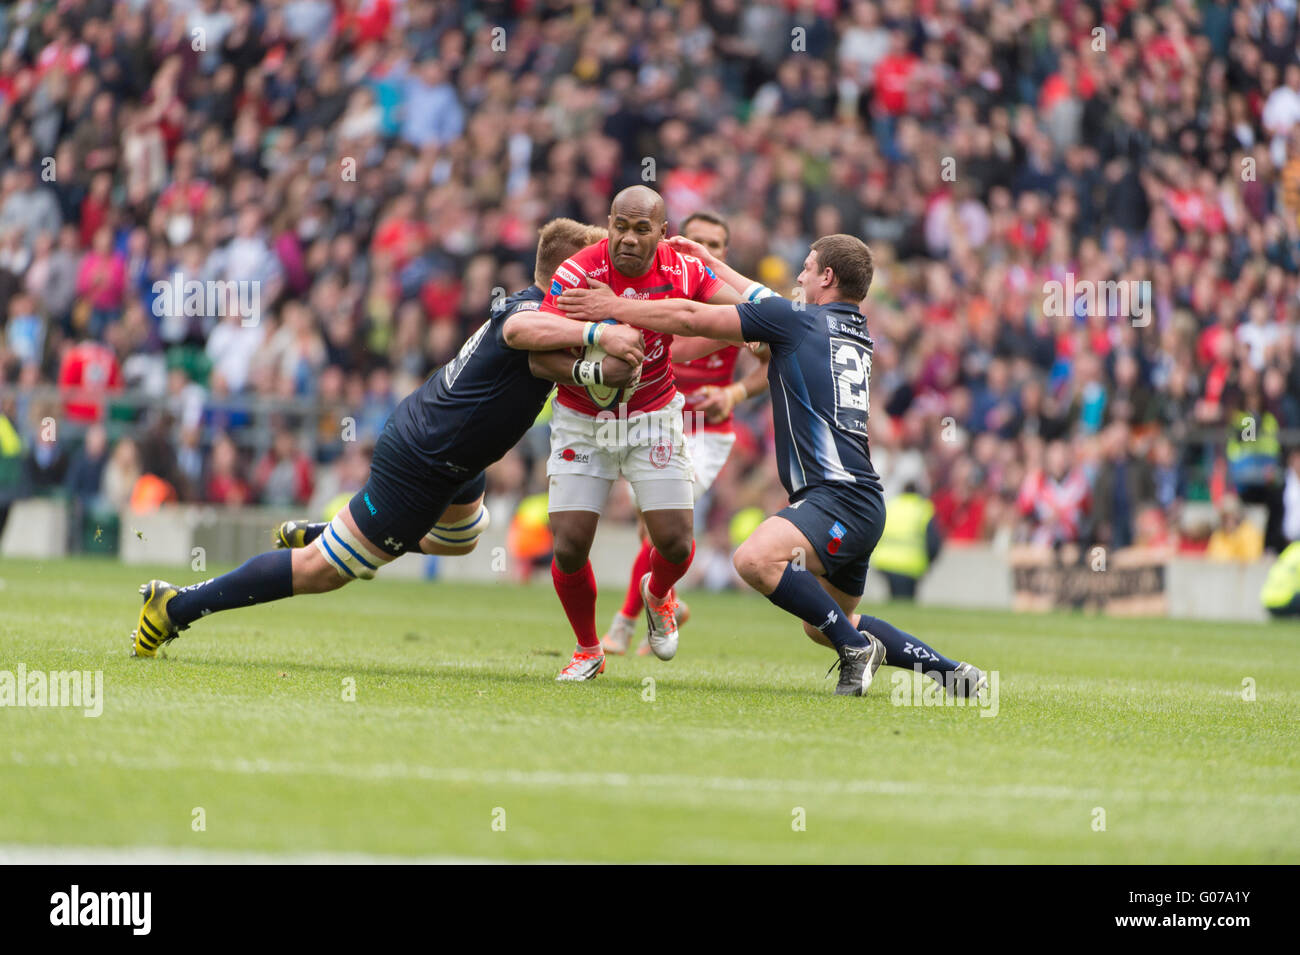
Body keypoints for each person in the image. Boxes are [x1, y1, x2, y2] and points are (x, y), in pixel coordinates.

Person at [129, 220, 646, 672]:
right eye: (596, 275)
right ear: (569, 278)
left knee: (463, 537)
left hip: (454, 456)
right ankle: (174, 606)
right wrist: (602, 332)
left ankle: (327, 532)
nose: (605, 285)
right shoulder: (529, 314)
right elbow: (515, 331)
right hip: (422, 461)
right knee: (321, 572)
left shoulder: (548, 318)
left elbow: (559, 365)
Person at [560, 233, 984, 697]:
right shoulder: (851, 329)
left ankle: (857, 651)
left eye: (806, 266)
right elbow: (761, 297)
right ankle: (953, 674)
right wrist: (708, 263)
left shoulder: (796, 320)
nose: (797, 276)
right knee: (823, 626)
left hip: (836, 498)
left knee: (754, 559)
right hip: (862, 501)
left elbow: (690, 316)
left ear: (826, 276)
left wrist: (613, 304)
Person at [533, 186, 743, 681]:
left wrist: (766, 324)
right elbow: (537, 354)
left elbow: (739, 316)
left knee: (673, 543)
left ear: (662, 234)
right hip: (583, 421)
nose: (627, 239)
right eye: (620, 227)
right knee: (567, 545)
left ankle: (657, 594)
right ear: (608, 224)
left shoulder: (682, 269)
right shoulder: (579, 271)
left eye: (641, 229)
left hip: (653, 417)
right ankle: (589, 650)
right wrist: (591, 372)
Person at [601, 210, 770, 656]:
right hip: (655, 420)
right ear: (672, 241)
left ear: (724, 253)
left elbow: (772, 356)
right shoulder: (654, 290)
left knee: (665, 521)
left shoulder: (730, 301)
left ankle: (623, 626)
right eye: (696, 241)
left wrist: (734, 393)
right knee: (651, 529)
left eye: (715, 245)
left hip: (703, 430)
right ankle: (668, 602)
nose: (705, 251)